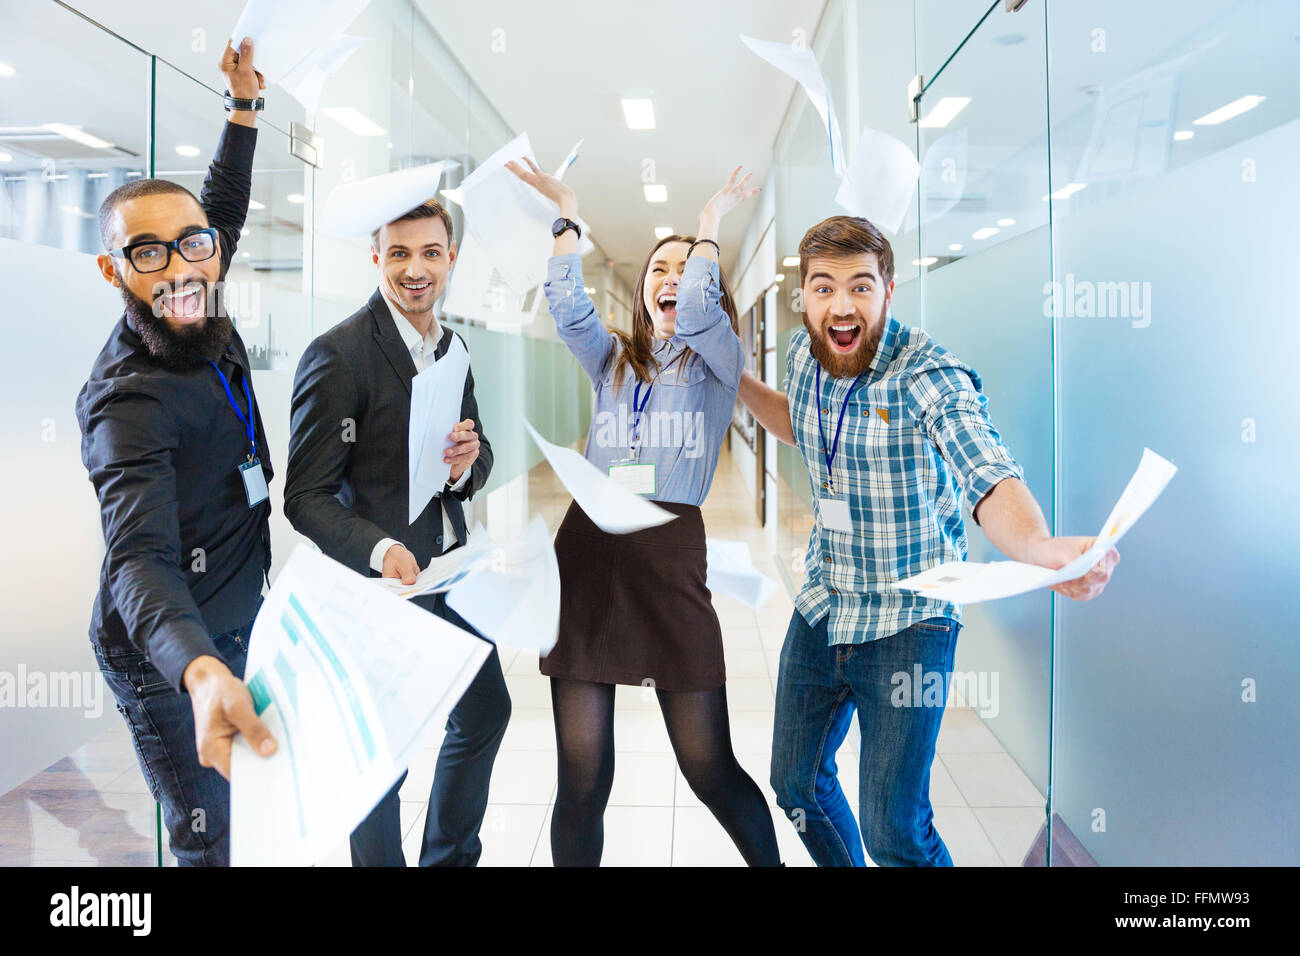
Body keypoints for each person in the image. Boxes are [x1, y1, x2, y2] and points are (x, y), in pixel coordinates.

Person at [738, 215, 1120, 867]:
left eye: (860, 285)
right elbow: (796, 423)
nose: (841, 303)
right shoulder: (805, 356)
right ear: (803, 295)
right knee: (795, 784)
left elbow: (987, 472)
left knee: (896, 831)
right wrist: (736, 383)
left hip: (909, 618)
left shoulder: (930, 374)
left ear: (888, 290)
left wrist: (1036, 546)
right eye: (823, 286)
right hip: (826, 600)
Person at [508, 158, 783, 866]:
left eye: (685, 269)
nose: (672, 279)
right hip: (589, 551)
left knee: (708, 768)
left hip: (667, 557)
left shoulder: (720, 357)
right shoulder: (613, 362)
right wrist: (566, 212)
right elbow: (567, 306)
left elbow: (695, 310)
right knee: (583, 777)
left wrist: (707, 227)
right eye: (658, 270)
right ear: (639, 290)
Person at [76, 39, 278, 866]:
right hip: (164, 654)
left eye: (192, 243)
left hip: (231, 609)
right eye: (146, 252)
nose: (180, 266)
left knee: (251, 809)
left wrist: (243, 107)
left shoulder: (198, 271)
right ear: (112, 271)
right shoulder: (125, 400)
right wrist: (197, 672)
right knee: (207, 833)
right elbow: (139, 559)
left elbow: (221, 204)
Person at [284, 197, 509, 867]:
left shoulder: (454, 345)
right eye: (401, 253)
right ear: (377, 257)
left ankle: (447, 858)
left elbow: (477, 453)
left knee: (484, 711)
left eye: (431, 253)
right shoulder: (339, 355)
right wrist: (382, 552)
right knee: (379, 756)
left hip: (448, 576)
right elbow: (305, 496)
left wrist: (468, 466)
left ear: (451, 258)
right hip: (379, 589)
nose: (417, 269)